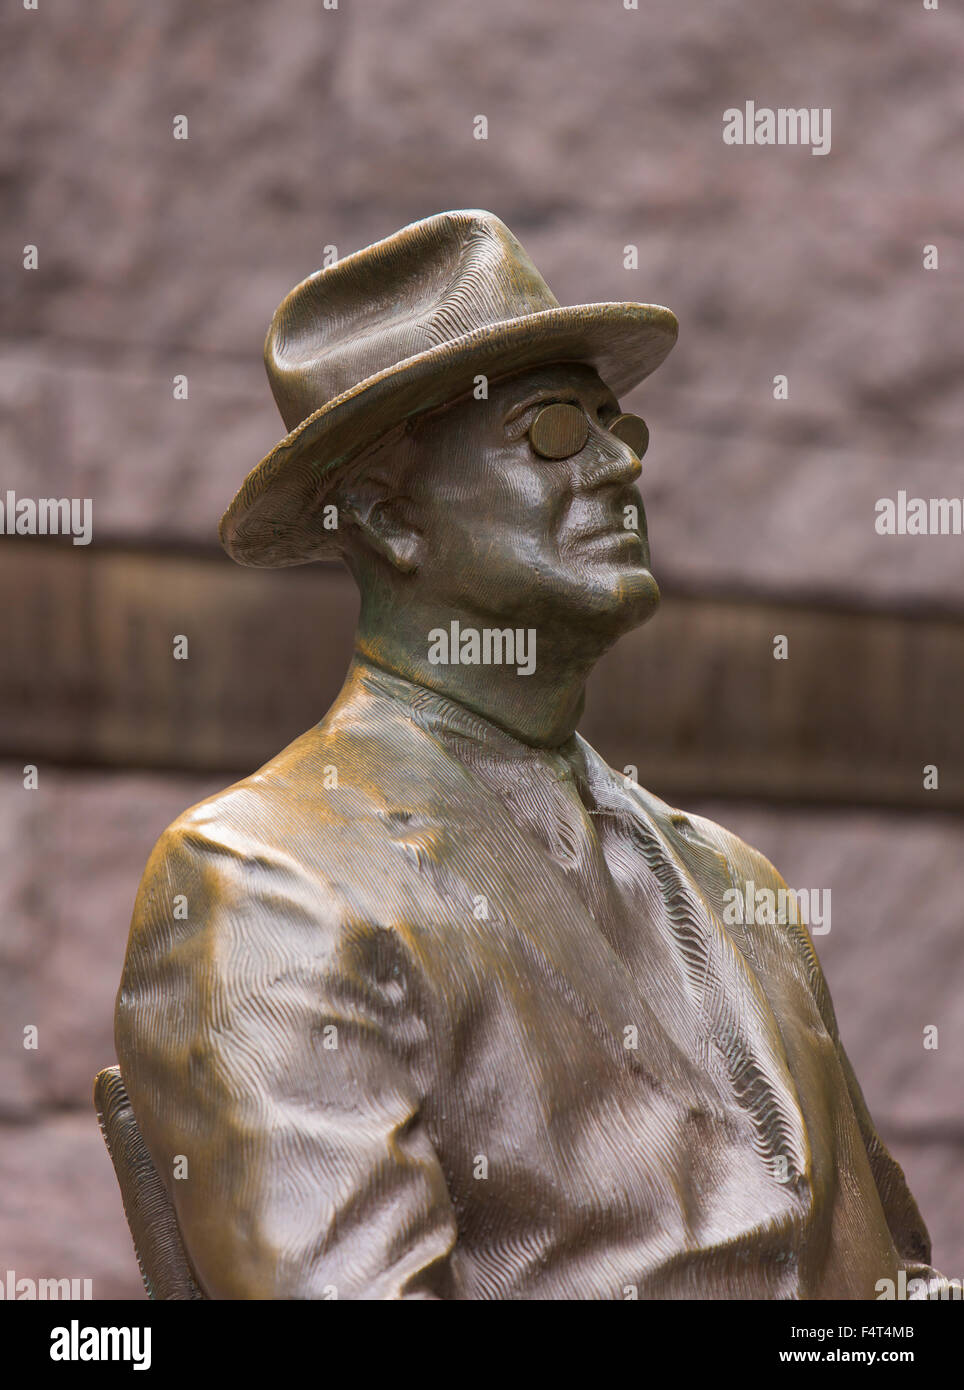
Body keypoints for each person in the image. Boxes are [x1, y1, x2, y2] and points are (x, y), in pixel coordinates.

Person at [115, 209, 945, 1299]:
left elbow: (884, 1285)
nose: (615, 466)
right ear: (386, 518)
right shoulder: (269, 881)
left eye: (619, 427)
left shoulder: (736, 884)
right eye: (553, 431)